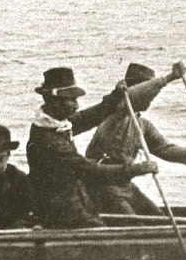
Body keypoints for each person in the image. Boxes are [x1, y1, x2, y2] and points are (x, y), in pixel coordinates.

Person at [26, 67, 159, 229]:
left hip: (74, 199)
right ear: (54, 101)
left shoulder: (56, 124)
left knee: (151, 217)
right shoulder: (48, 140)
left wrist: (116, 95)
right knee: (103, 231)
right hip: (59, 209)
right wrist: (135, 169)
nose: (76, 105)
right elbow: (88, 169)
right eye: (71, 99)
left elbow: (88, 117)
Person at [84, 61, 186, 215]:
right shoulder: (114, 115)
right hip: (102, 186)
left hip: (125, 185)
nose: (152, 97)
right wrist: (169, 78)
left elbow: (166, 150)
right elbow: (135, 96)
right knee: (135, 225)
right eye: (151, 91)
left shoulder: (142, 125)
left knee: (159, 217)